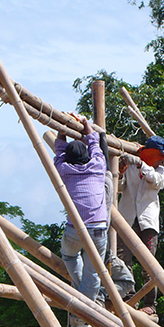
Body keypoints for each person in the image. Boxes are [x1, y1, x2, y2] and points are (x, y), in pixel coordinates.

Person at [55, 114, 108, 307]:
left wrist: (62, 132)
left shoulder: (64, 170)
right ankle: (87, 306)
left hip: (75, 229)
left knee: (69, 255)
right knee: (93, 271)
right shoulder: (98, 166)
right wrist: (86, 124)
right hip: (98, 229)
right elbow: (94, 143)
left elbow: (59, 150)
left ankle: (80, 296)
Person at [116, 135, 164, 319]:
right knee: (123, 259)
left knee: (148, 263)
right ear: (152, 153)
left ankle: (149, 303)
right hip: (127, 218)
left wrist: (142, 166)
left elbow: (157, 182)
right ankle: (130, 297)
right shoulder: (131, 164)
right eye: (160, 155)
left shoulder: (160, 169)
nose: (162, 159)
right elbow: (118, 188)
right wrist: (121, 172)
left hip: (147, 221)